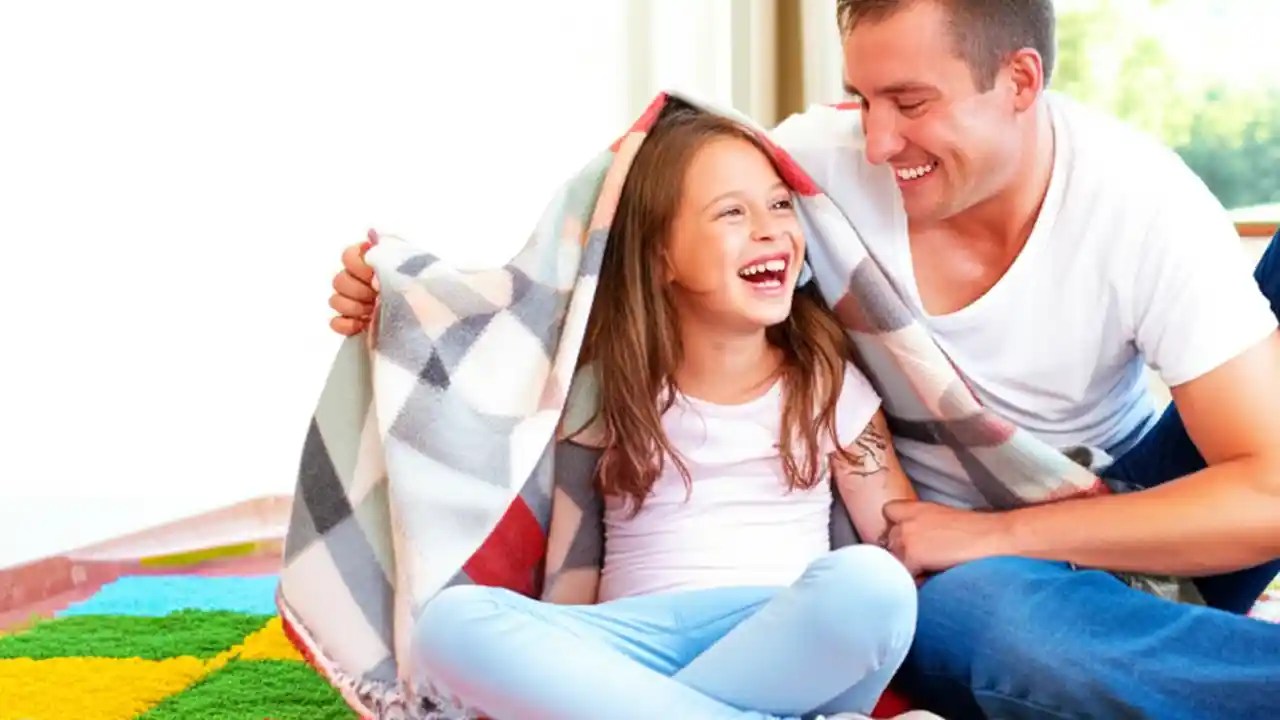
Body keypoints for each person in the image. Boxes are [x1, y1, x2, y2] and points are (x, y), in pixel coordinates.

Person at [753, 1, 1278, 718]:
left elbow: (1269, 495)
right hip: (962, 577)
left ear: (1020, 81)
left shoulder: (1144, 204)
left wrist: (998, 532)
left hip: (1132, 516)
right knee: (1009, 627)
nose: (876, 140)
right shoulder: (809, 172)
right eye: (861, 99)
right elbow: (649, 203)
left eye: (910, 102)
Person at [329, 109, 936, 720]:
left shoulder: (826, 384)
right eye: (732, 212)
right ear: (660, 255)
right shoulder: (604, 388)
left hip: (779, 631)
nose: (770, 230)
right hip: (629, 647)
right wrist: (394, 304)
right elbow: (567, 577)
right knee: (449, 627)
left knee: (874, 587)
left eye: (780, 206)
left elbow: (900, 548)